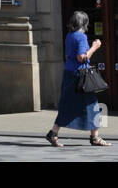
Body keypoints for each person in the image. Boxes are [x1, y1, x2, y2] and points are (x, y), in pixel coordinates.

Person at [46, 10, 109, 147]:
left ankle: (53, 133)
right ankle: (94, 138)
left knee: (67, 105)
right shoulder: (81, 37)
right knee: (93, 106)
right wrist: (94, 47)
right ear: (84, 23)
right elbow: (81, 57)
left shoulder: (69, 35)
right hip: (80, 77)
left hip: (69, 74)